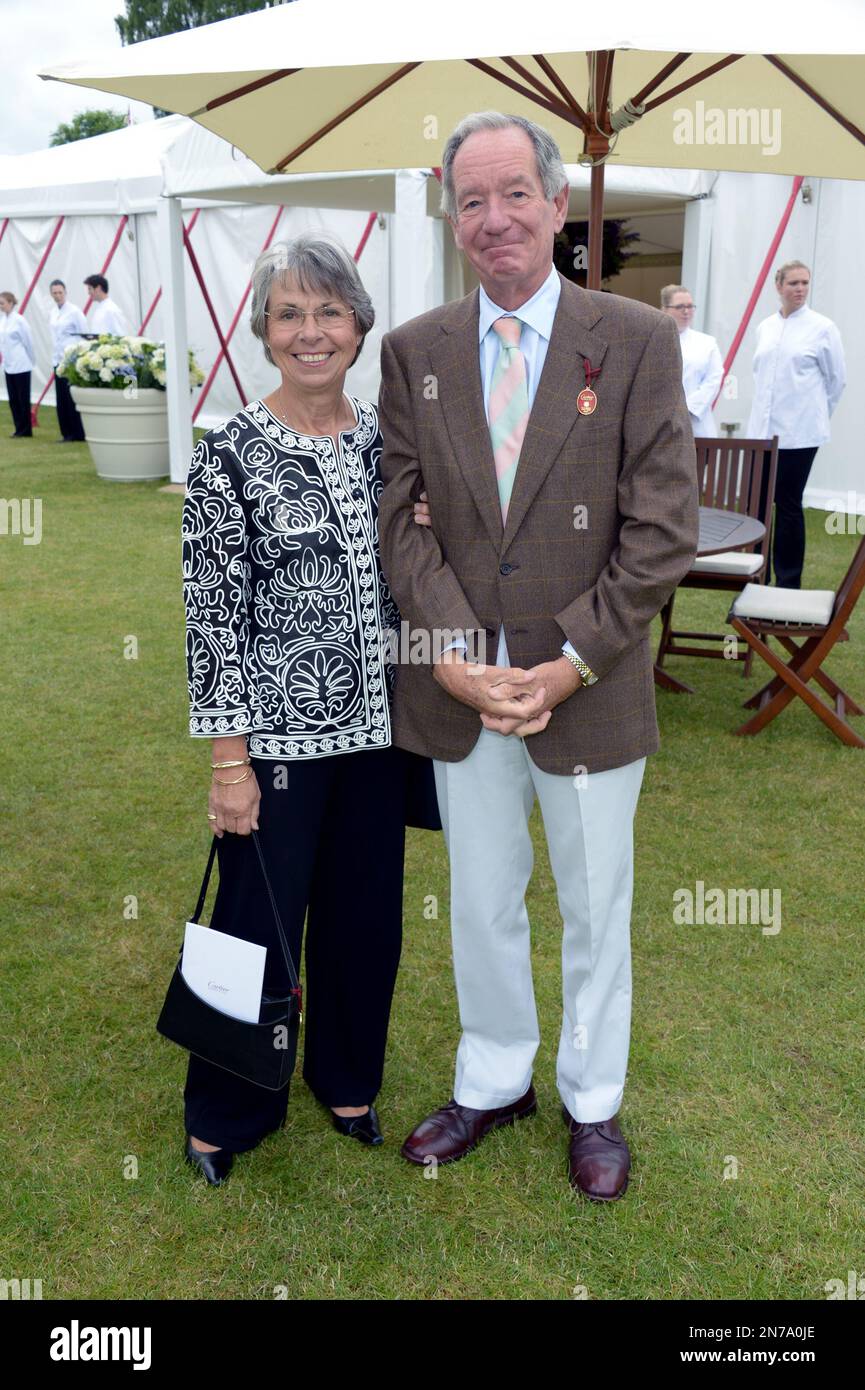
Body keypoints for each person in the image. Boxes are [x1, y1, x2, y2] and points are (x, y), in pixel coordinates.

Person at [378, 111, 698, 1202]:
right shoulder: (412, 351)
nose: (493, 218)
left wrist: (568, 660)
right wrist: (462, 660)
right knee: (482, 897)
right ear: (451, 216)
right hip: (466, 694)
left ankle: (593, 1101)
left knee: (595, 901)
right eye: (470, 200)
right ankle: (494, 1075)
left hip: (588, 690)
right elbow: (395, 527)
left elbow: (661, 531)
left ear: (558, 206)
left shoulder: (638, 342)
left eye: (514, 193)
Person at [181, 234, 417, 1187]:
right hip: (274, 746)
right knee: (255, 928)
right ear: (262, 333)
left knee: (366, 919)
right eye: (289, 314)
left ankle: (347, 1080)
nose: (310, 332)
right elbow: (212, 622)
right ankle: (229, 1109)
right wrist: (229, 765)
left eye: (328, 312)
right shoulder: (229, 455)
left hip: (381, 738)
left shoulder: (388, 444)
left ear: (358, 325)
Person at [747, 260, 846, 588]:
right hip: (762, 433)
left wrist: (812, 417)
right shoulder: (765, 328)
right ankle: (757, 575)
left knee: (788, 505)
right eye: (793, 283)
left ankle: (787, 583)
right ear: (779, 286)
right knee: (759, 506)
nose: (800, 289)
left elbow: (836, 382)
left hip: (799, 435)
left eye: (805, 282)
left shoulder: (823, 328)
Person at [661, 283, 723, 437]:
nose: (686, 311)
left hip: (697, 425)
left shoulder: (707, 343)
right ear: (665, 309)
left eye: (690, 306)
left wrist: (685, 409)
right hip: (663, 424)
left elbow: (713, 380)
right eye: (680, 306)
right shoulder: (655, 341)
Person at [48, 280, 86, 443]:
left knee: (71, 398)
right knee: (61, 398)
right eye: (54, 293)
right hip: (58, 360)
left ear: (65, 292)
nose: (57, 296)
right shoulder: (53, 312)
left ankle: (77, 433)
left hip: (70, 360)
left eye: (60, 292)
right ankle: (66, 432)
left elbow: (84, 334)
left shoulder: (75, 312)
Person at [0, 292, 35, 438]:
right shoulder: (2, 320)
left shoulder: (19, 320)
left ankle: (26, 430)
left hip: (21, 364)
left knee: (23, 399)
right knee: (13, 399)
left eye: (2, 303)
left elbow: (28, 341)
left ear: (10, 303)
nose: (0, 306)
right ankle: (18, 427)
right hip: (9, 365)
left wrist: (31, 360)